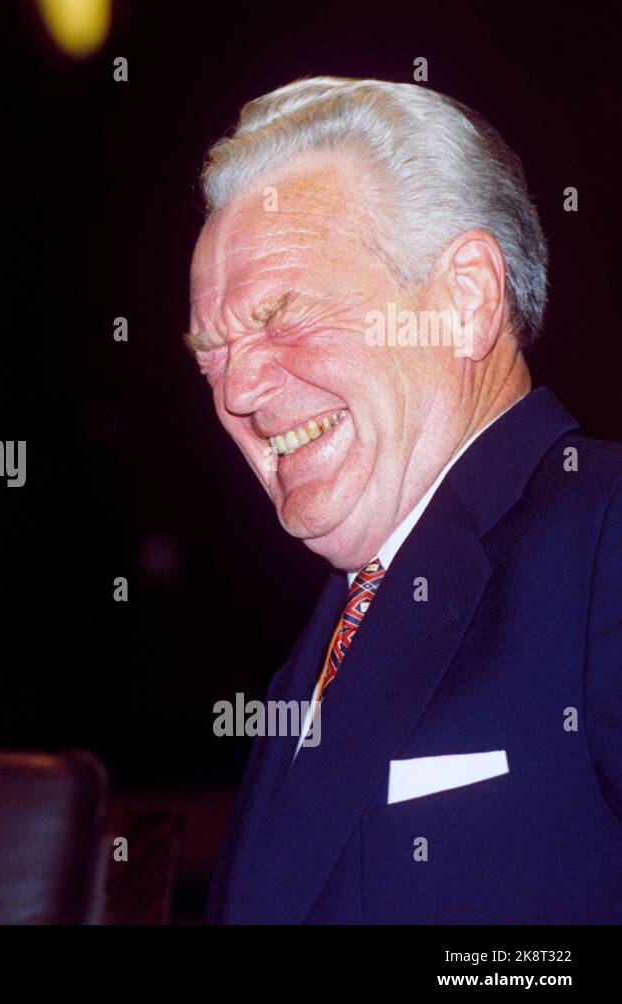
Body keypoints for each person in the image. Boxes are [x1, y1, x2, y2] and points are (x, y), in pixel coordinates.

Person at [186, 77, 622, 922]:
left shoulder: (603, 541)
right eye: (212, 350)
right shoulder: (323, 643)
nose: (237, 389)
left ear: (465, 299)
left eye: (282, 316)